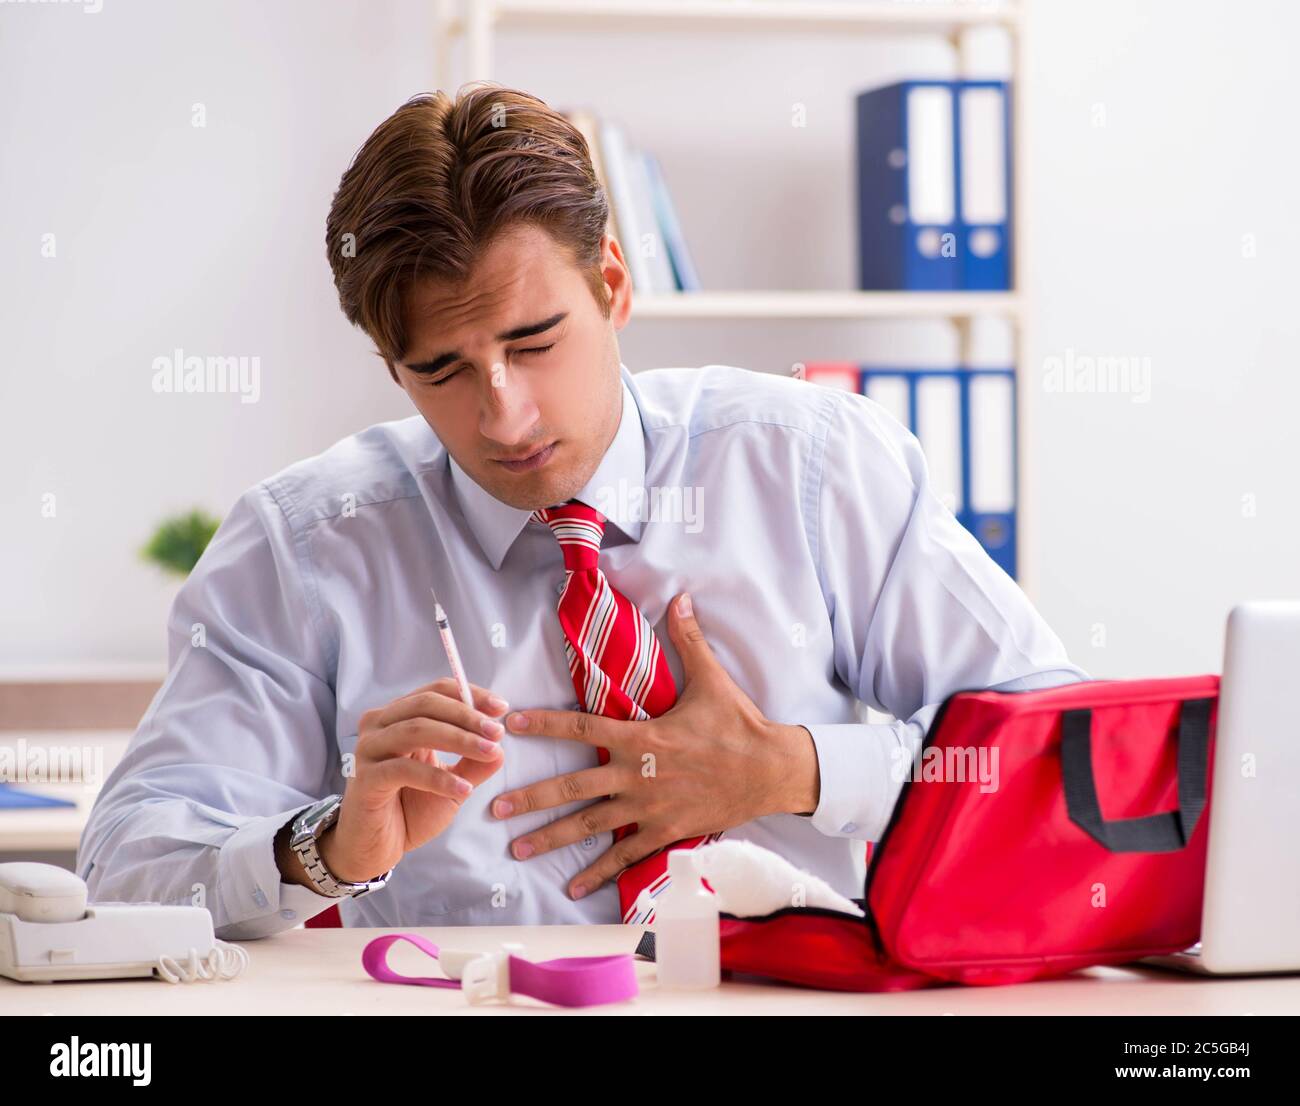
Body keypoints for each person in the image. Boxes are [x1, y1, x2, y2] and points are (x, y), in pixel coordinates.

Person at [77, 83, 1088, 939]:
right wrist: (327, 845)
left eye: (533, 342)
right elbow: (127, 870)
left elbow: (1063, 750)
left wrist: (793, 767)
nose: (503, 413)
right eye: (442, 369)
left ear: (611, 282)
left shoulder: (811, 466)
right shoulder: (304, 546)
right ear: (392, 366)